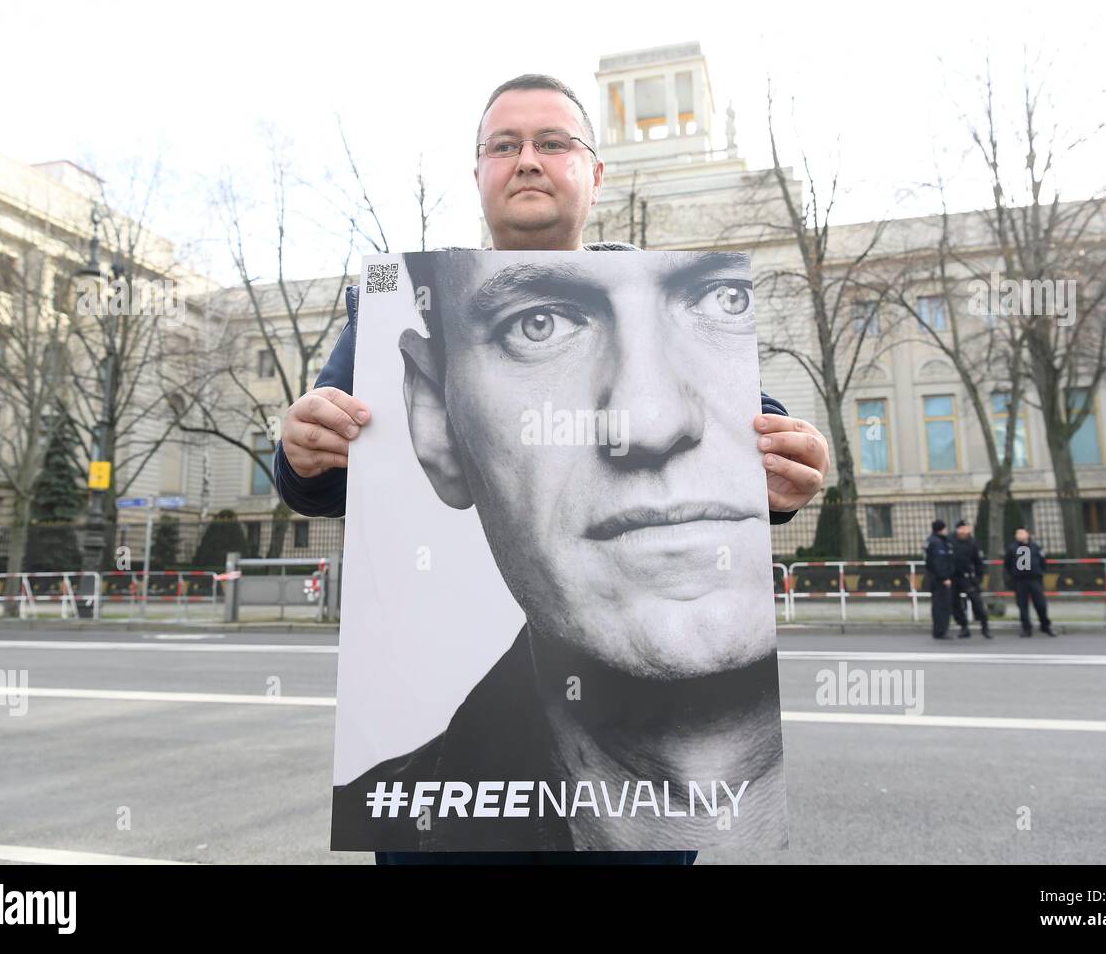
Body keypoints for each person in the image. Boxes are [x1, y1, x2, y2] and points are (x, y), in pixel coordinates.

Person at [273, 74, 833, 864]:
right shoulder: (397, 300)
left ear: (594, 174)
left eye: (554, 143)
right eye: (504, 146)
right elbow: (323, 467)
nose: (528, 160)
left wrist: (792, 468)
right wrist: (305, 448)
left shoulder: (674, 291)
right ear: (479, 176)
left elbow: (762, 443)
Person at [331, 249, 792, 855]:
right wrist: (304, 462)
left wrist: (784, 470)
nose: (649, 421)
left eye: (726, 301)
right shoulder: (401, 819)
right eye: (537, 324)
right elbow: (321, 454)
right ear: (436, 420)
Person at [1004, 527, 1055, 637]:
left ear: (1027, 534)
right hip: (1020, 580)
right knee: (1022, 606)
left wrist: (1041, 572)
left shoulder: (1035, 547)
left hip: (1034, 579)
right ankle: (1026, 628)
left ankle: (1045, 625)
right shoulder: (1012, 548)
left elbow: (1042, 561)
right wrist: (1013, 576)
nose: (1020, 535)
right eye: (1018, 533)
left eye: (1022, 533)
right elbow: (1007, 564)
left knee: (1041, 604)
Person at [950, 519, 991, 638]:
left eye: (966, 529)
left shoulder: (973, 543)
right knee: (955, 604)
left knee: (977, 602)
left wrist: (978, 578)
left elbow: (979, 562)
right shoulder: (950, 541)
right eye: (962, 529)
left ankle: (985, 626)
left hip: (968, 577)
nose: (965, 532)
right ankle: (963, 627)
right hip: (954, 577)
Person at [924, 520, 956, 640]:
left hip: (933, 577)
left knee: (937, 605)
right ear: (941, 529)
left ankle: (939, 630)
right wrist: (944, 578)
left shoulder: (930, 540)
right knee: (942, 605)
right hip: (939, 579)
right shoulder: (937, 543)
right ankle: (941, 630)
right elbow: (939, 562)